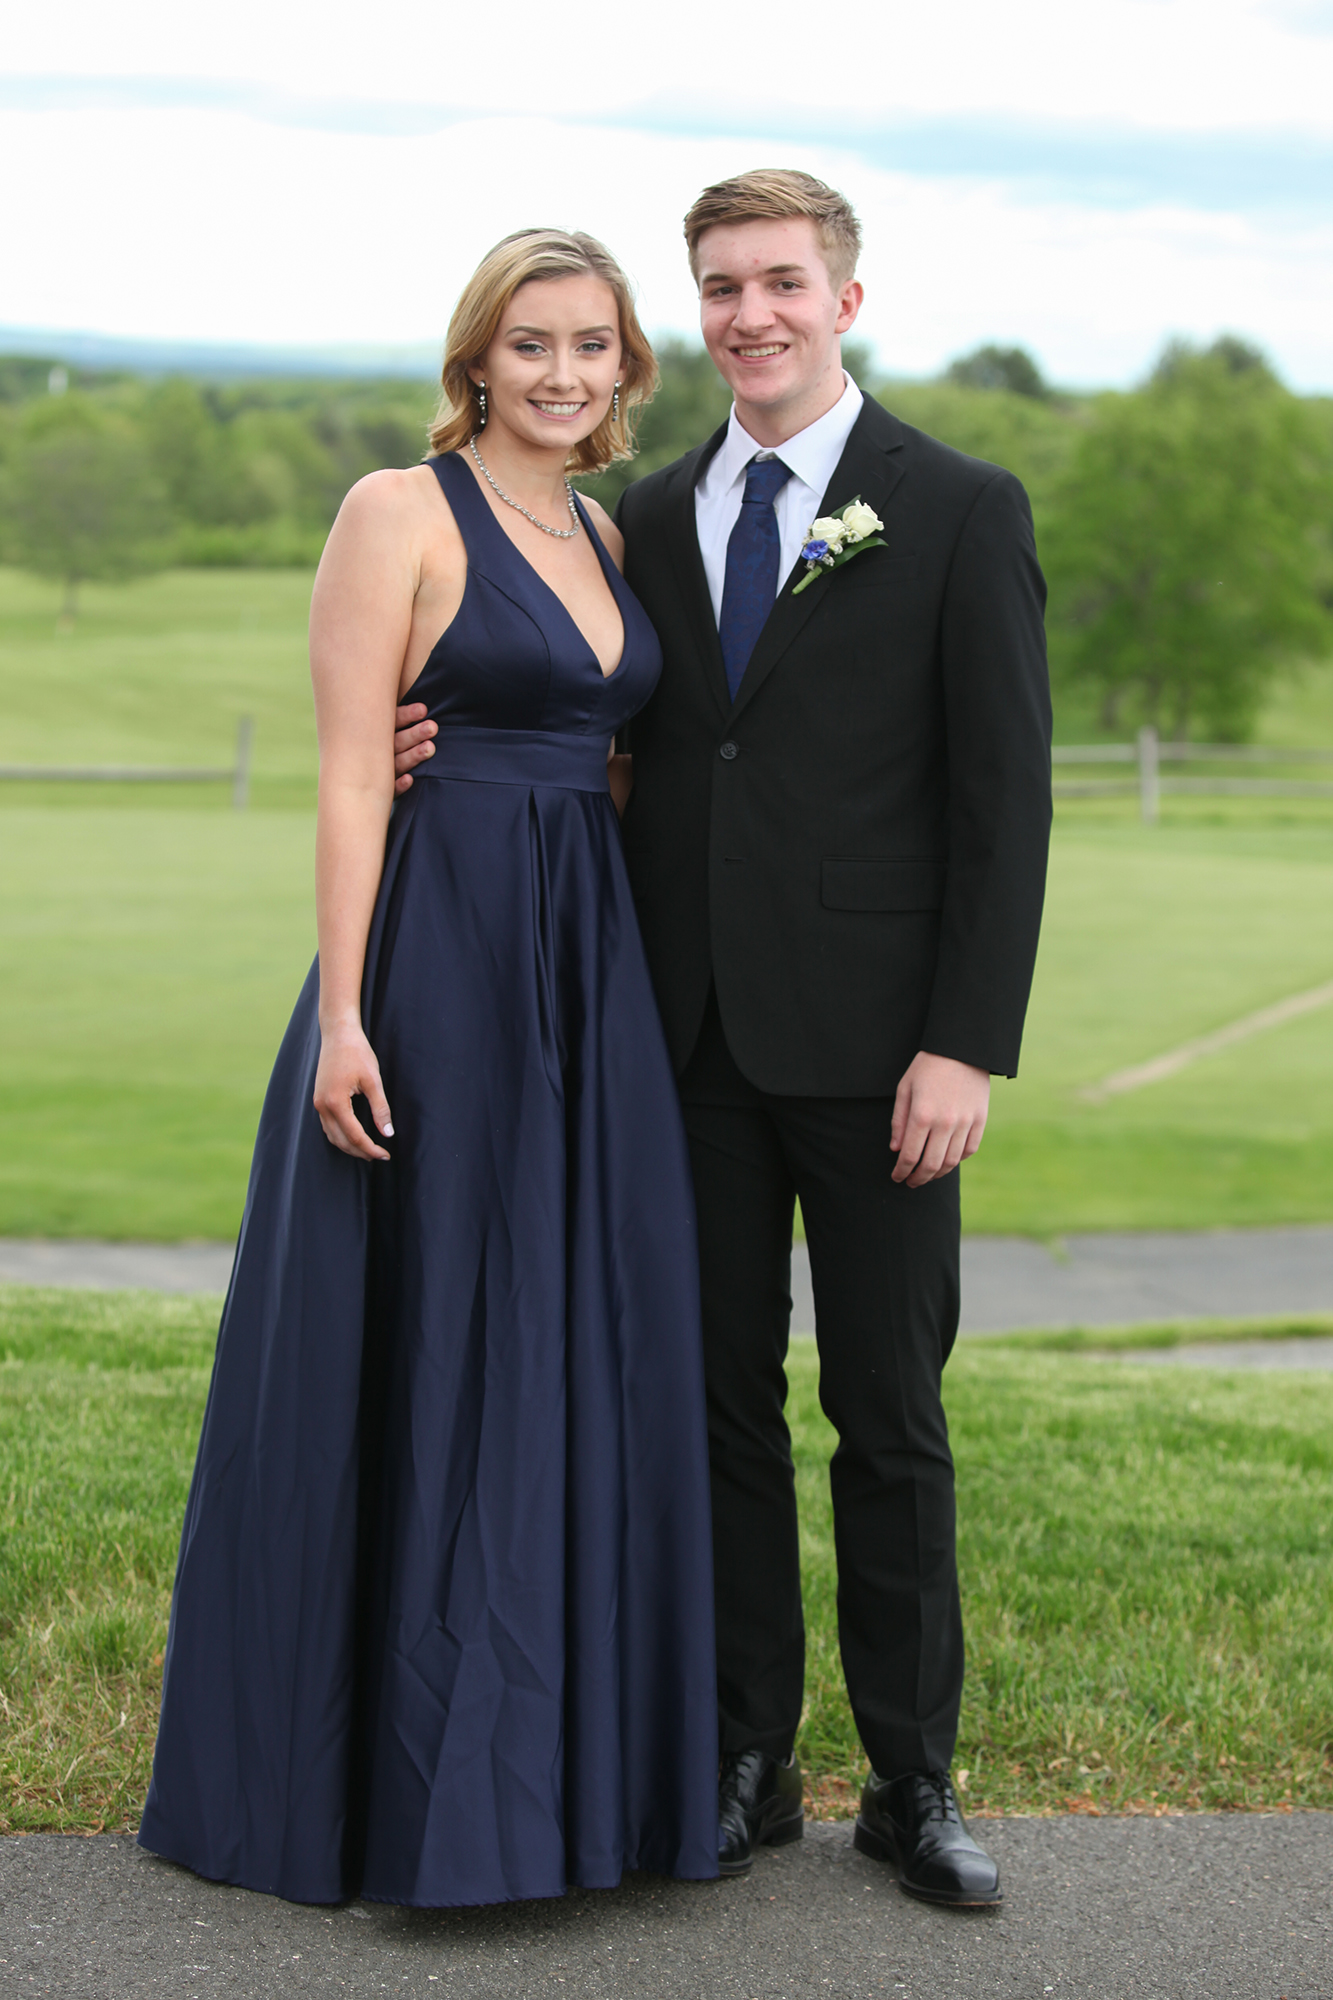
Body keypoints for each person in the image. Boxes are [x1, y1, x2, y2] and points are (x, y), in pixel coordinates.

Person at [395, 172, 1051, 1908]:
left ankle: (912, 1783)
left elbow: (1004, 808)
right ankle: (746, 1749)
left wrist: (963, 1045)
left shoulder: (959, 510)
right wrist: (429, 744)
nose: (746, 314)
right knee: (712, 1410)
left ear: (844, 296)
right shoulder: (649, 517)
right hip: (679, 1047)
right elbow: (608, 732)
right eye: (717, 288)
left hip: (882, 1054)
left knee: (889, 1414)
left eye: (777, 282)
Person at [138, 229, 719, 1909]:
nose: (561, 372)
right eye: (530, 343)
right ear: (478, 356)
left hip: (582, 970)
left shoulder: (606, 529)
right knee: (447, 1329)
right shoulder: (394, 512)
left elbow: (605, 754)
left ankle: (566, 1788)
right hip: (439, 961)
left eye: (591, 347)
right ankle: (406, 1799)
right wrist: (341, 1014)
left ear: (624, 370)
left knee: (570, 1339)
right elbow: (345, 777)